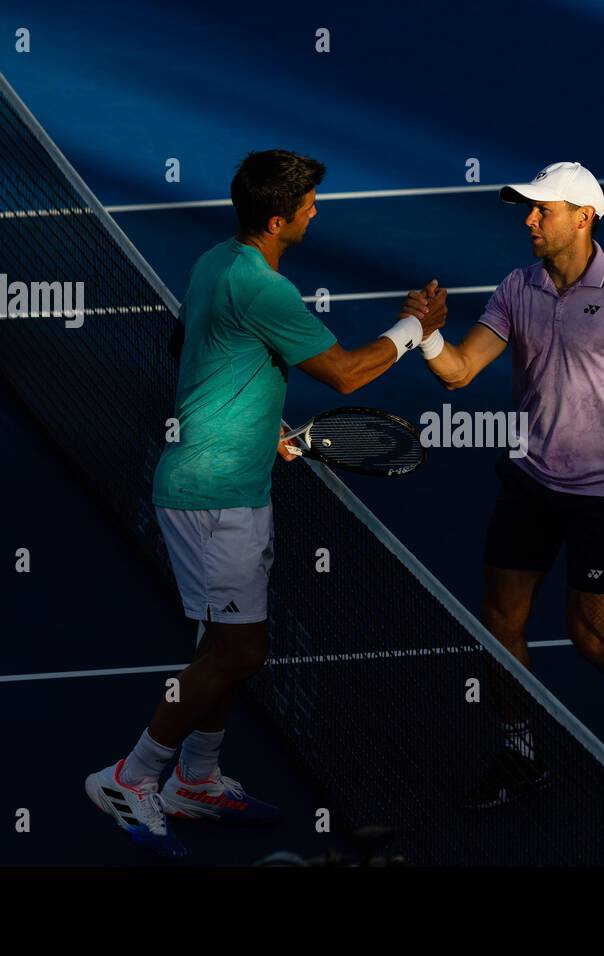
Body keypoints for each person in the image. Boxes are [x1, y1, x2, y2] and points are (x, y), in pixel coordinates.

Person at [85, 149, 446, 856]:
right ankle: (133, 776)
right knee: (239, 654)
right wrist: (414, 328)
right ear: (279, 219)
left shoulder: (216, 262)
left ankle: (197, 780)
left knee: (221, 645)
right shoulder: (265, 290)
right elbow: (344, 374)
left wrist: (258, 423)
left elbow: (192, 346)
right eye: (309, 204)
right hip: (217, 499)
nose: (317, 211)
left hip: (218, 482)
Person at [417, 162, 604, 801]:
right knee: (499, 621)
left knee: (592, 638)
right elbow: (460, 372)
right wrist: (430, 338)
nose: (529, 219)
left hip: (603, 497)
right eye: (528, 208)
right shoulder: (517, 288)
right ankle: (522, 751)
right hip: (528, 484)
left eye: (542, 209)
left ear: (583, 216)